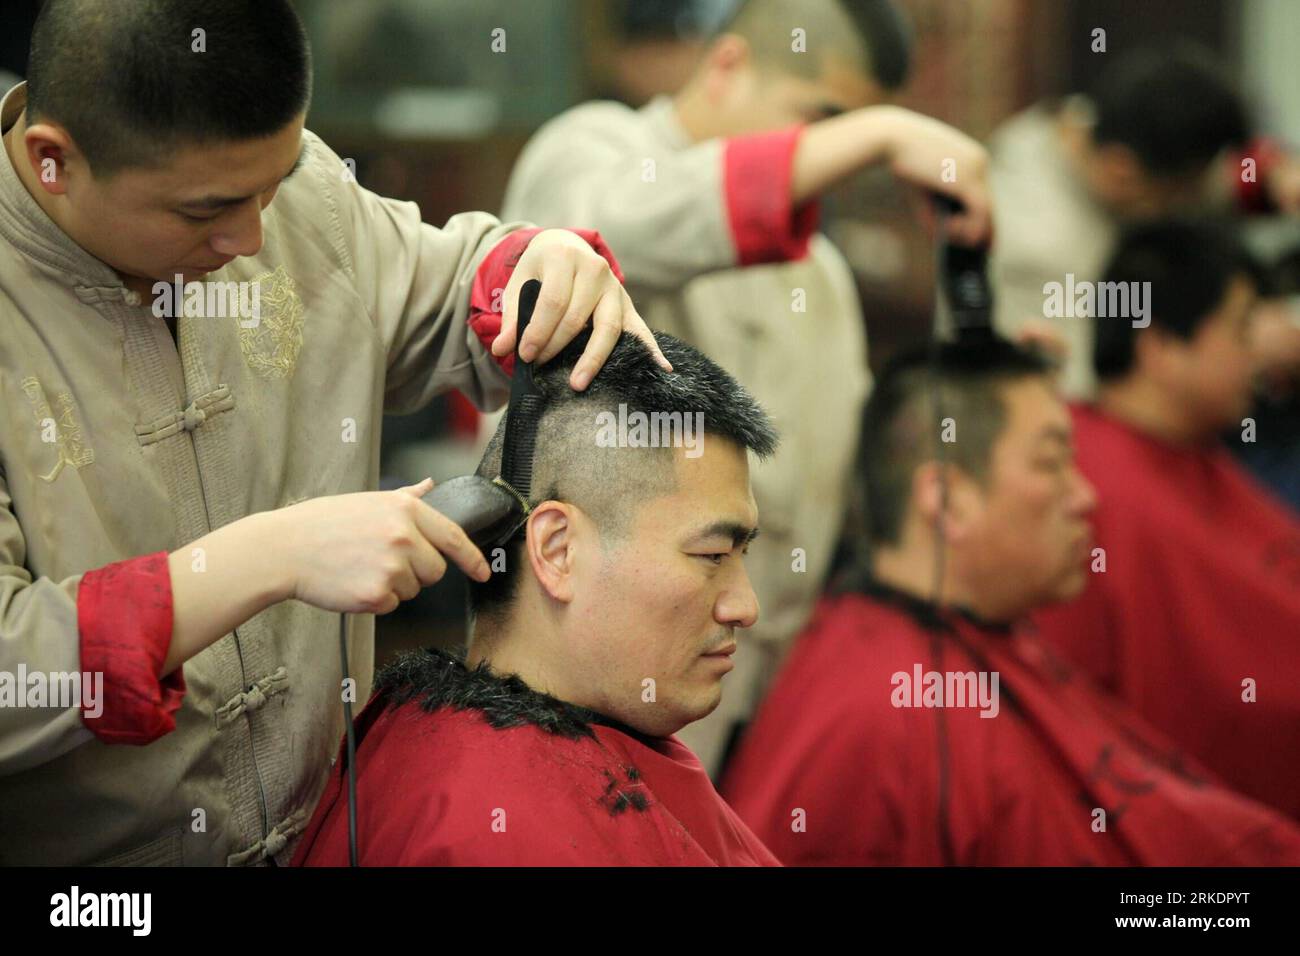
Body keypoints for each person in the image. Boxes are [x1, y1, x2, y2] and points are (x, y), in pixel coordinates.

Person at [0, 0, 666, 866]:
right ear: (54, 161)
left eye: (272, 190)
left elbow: (445, 285)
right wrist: (272, 558)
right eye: (207, 210)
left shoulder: (292, 193)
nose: (249, 240)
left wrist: (534, 269)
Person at [502, 0, 992, 775]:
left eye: (851, 139)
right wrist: (882, 133)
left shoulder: (820, 274)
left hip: (749, 689)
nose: (840, 161)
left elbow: (833, 477)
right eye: (822, 124)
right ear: (728, 66)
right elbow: (608, 229)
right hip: (581, 679)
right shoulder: (591, 150)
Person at [720, 338, 1300, 865]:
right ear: (947, 500)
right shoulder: (873, 713)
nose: (1086, 494)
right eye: (1052, 463)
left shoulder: (986, 637)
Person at [293, 330, 780, 865]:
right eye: (712, 555)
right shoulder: (490, 834)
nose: (745, 607)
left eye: (742, 555)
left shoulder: (598, 742)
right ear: (557, 549)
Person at [1033, 220, 1300, 820]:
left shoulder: (1199, 457)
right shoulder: (1084, 489)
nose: (1256, 352)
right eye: (1238, 329)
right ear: (1160, 348)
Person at [988, 42, 1300, 398]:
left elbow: (1228, 179)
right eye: (1182, 195)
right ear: (1123, 172)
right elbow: (1107, 395)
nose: (1199, 202)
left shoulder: (1089, 123)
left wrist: (1276, 178)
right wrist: (1240, 344)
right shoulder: (1046, 248)